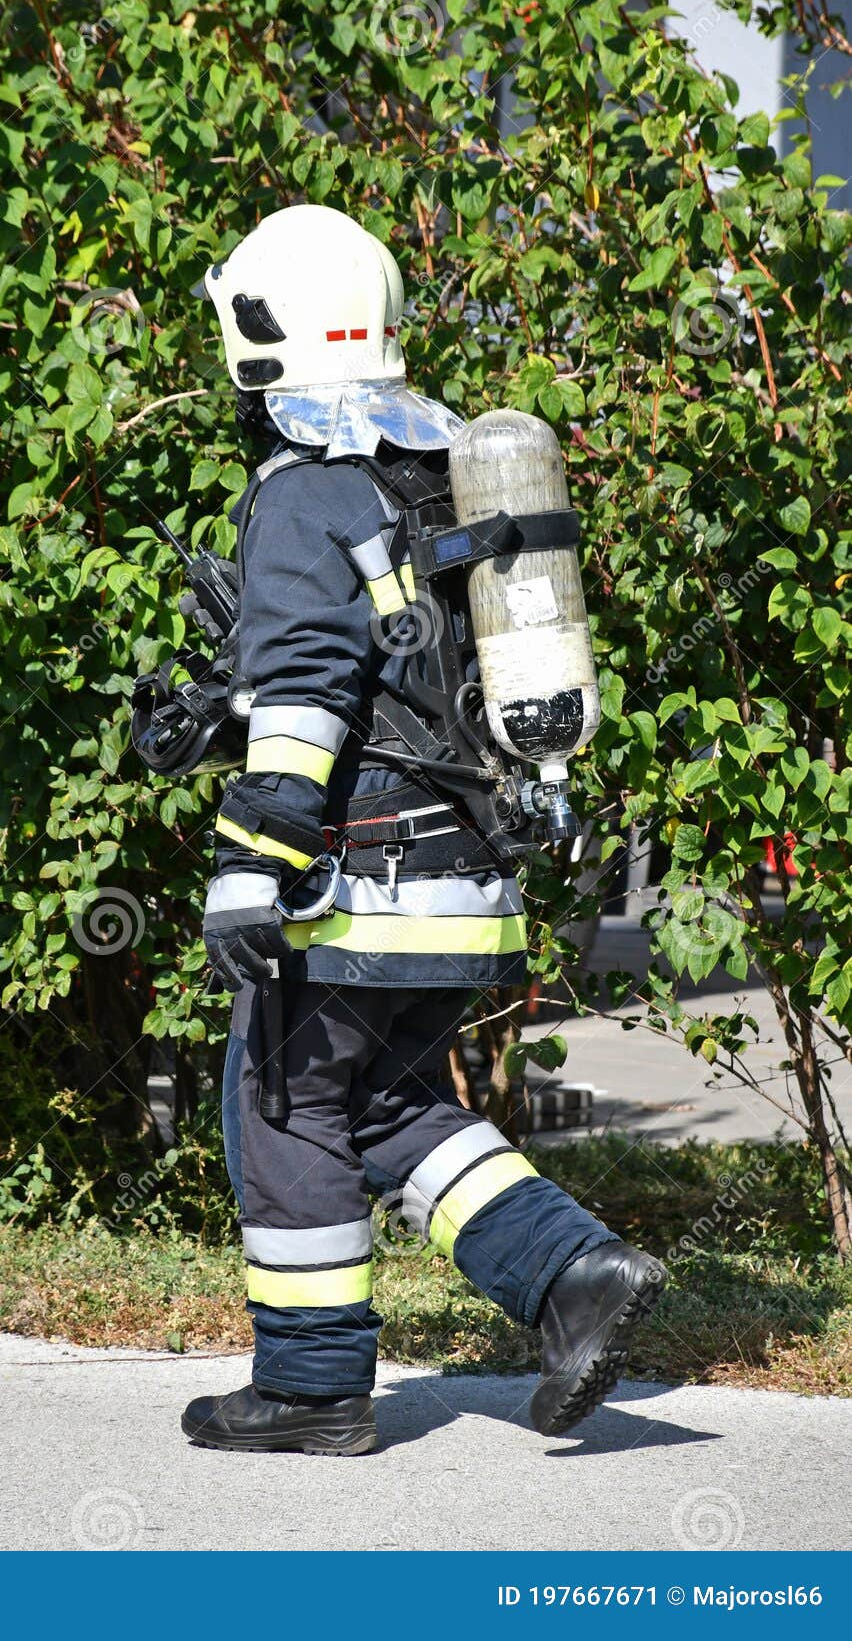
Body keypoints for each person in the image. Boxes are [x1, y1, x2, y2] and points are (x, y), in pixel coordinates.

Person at [179, 204, 665, 1455]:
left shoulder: (303, 490)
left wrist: (252, 863)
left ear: (260, 333)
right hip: (468, 873)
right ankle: (573, 1278)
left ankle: (310, 1385)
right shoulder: (438, 464)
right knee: (387, 1104)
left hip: (354, 879)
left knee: (282, 1104)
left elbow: (303, 685)